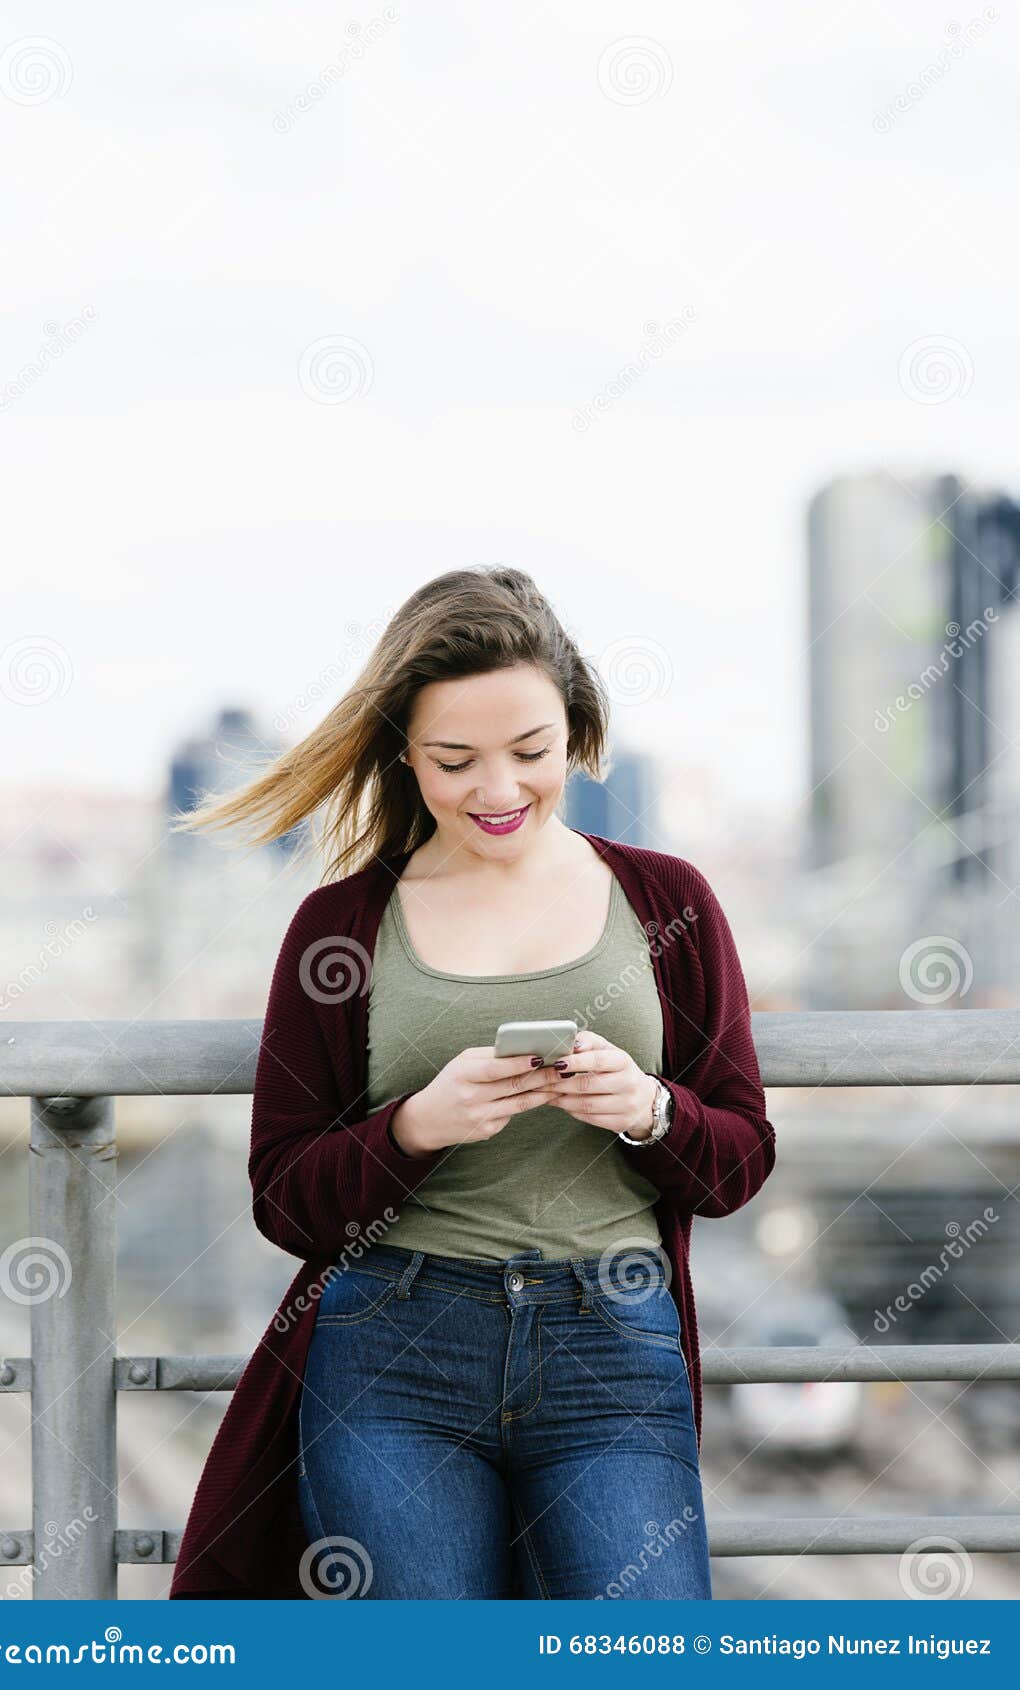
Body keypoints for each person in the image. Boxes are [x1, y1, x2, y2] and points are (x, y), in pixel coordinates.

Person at [169, 565, 775, 1600]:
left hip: (612, 1346)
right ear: (405, 754)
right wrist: (412, 1129)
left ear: (580, 732)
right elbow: (281, 1192)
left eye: (531, 753)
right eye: (456, 761)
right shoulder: (339, 930)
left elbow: (738, 1159)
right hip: (391, 1351)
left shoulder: (668, 900)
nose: (498, 791)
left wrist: (651, 1111)